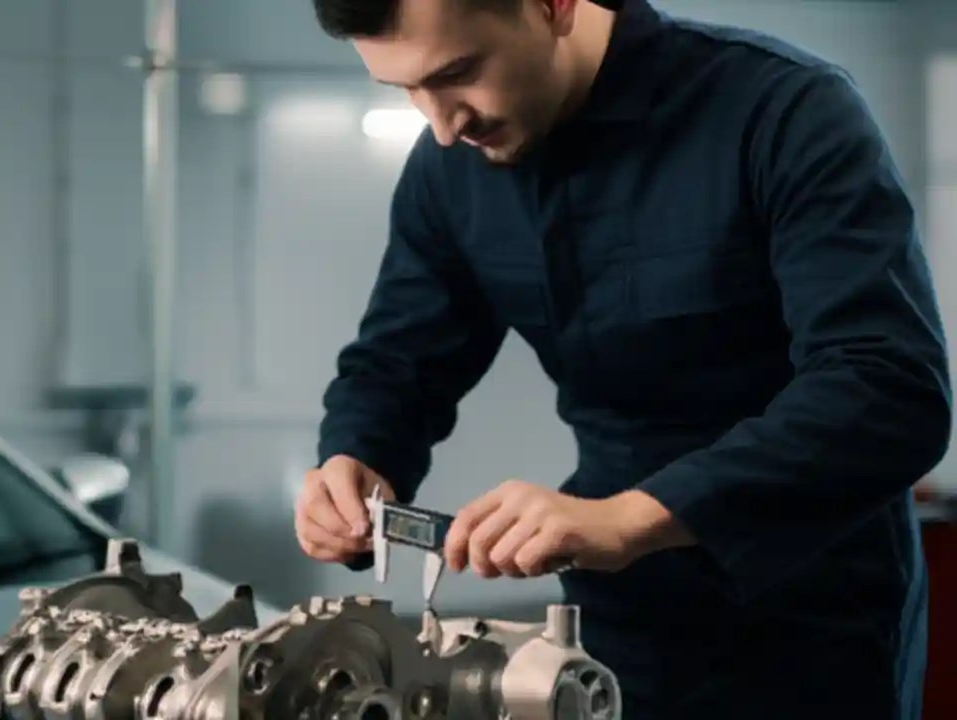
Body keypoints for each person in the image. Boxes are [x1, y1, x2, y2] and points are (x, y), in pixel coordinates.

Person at [291, 0, 953, 718]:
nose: (444, 124)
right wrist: (355, 458)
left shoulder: (784, 110)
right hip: (614, 627)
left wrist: (633, 518)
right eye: (407, 91)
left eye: (458, 73)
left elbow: (888, 391)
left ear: (554, 6)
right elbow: (398, 361)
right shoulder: (450, 168)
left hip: (816, 625)